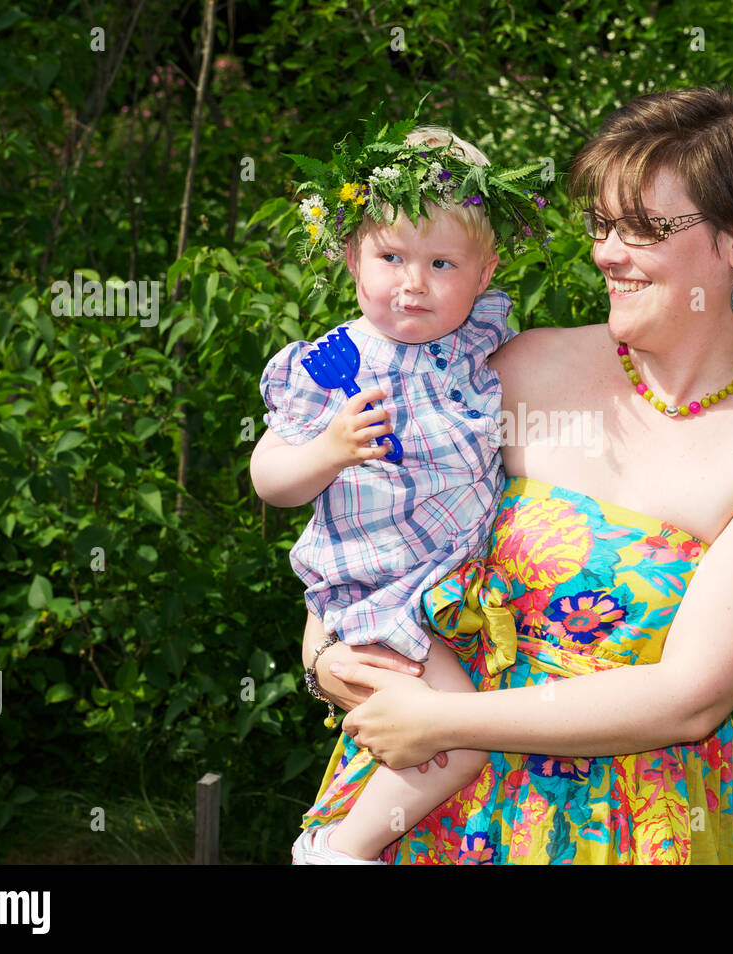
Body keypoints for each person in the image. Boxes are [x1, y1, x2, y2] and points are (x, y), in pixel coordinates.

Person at [295, 85, 733, 864]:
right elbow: (371, 524)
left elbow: (689, 697)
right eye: (603, 224)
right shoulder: (524, 367)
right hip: (420, 804)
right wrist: (324, 652)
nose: (607, 252)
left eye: (643, 229)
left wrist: (450, 723)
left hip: (619, 830)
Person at [252, 119, 550, 864]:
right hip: (381, 589)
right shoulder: (332, 362)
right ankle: (337, 850)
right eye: (391, 257)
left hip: (451, 590)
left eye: (443, 262)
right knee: (462, 732)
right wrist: (327, 450)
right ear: (352, 257)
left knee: (442, 737)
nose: (414, 283)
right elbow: (270, 481)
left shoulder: (480, 342)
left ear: (484, 277)